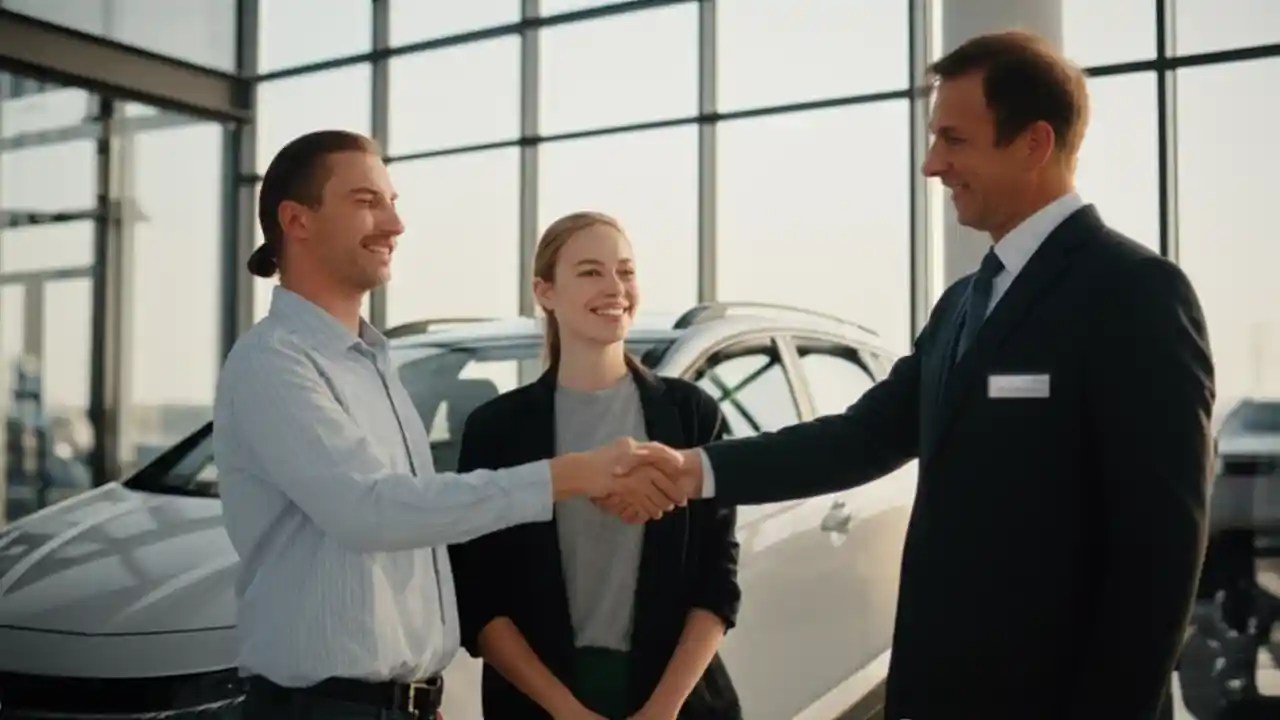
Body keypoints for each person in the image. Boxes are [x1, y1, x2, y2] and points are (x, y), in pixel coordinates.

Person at [614, 30, 1216, 720]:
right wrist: (693, 469)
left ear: (1034, 144)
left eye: (954, 140)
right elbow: (861, 437)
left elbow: (1161, 556)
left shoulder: (1136, 293)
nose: (933, 165)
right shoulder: (964, 301)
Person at [213, 131, 685, 720]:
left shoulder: (373, 365)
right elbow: (372, 510)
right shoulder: (273, 363)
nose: (395, 224)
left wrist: (416, 688)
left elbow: (414, 530)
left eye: (392, 201)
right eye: (367, 201)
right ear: (296, 220)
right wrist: (573, 474)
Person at [446, 211, 742, 720]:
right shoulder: (496, 429)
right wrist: (567, 713)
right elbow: (480, 598)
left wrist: (662, 711)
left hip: (677, 704)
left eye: (625, 271)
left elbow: (717, 581)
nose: (615, 287)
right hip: (540, 705)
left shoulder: (691, 414)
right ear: (545, 292)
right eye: (590, 272)